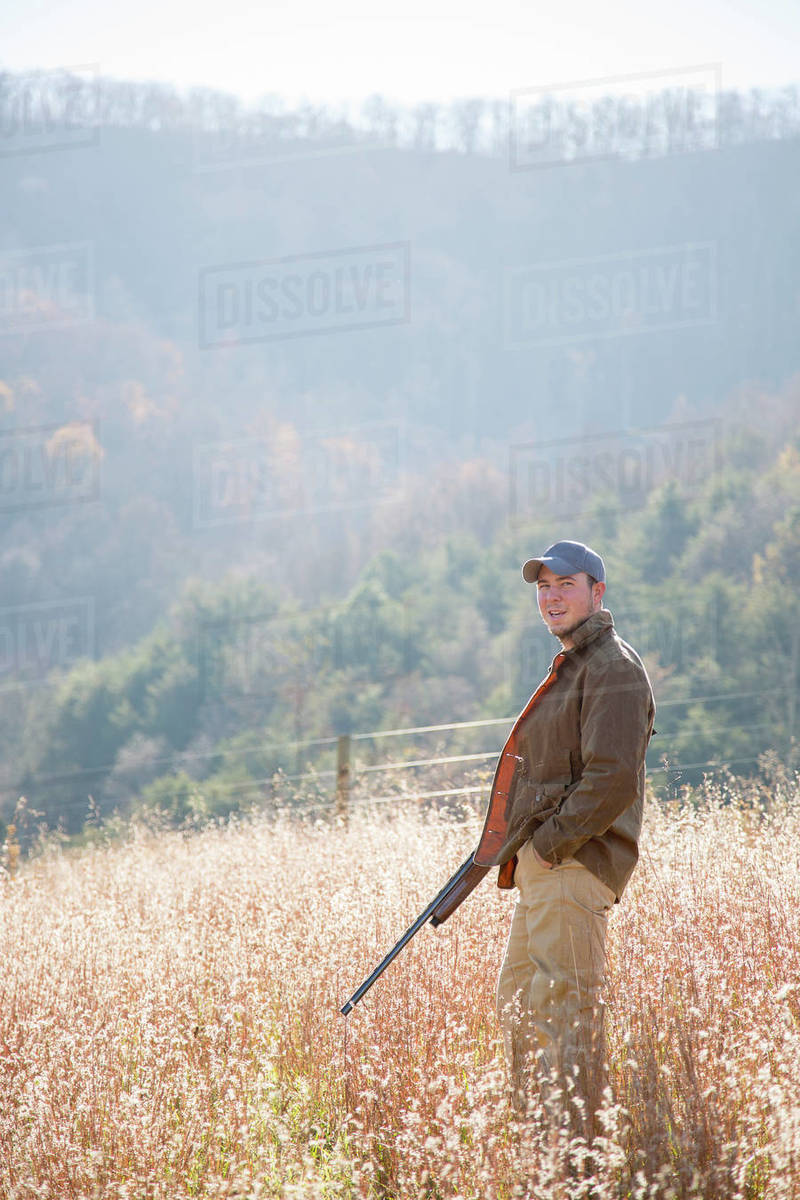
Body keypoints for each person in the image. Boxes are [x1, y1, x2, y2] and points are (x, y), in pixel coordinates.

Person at [493, 539, 655, 1129]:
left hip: (573, 863)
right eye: (543, 587)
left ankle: (576, 1142)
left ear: (597, 592)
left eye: (566, 584)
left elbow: (611, 779)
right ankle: (535, 1136)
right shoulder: (577, 665)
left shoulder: (613, 667)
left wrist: (546, 847)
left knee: (565, 1008)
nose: (552, 597)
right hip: (548, 865)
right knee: (517, 1005)